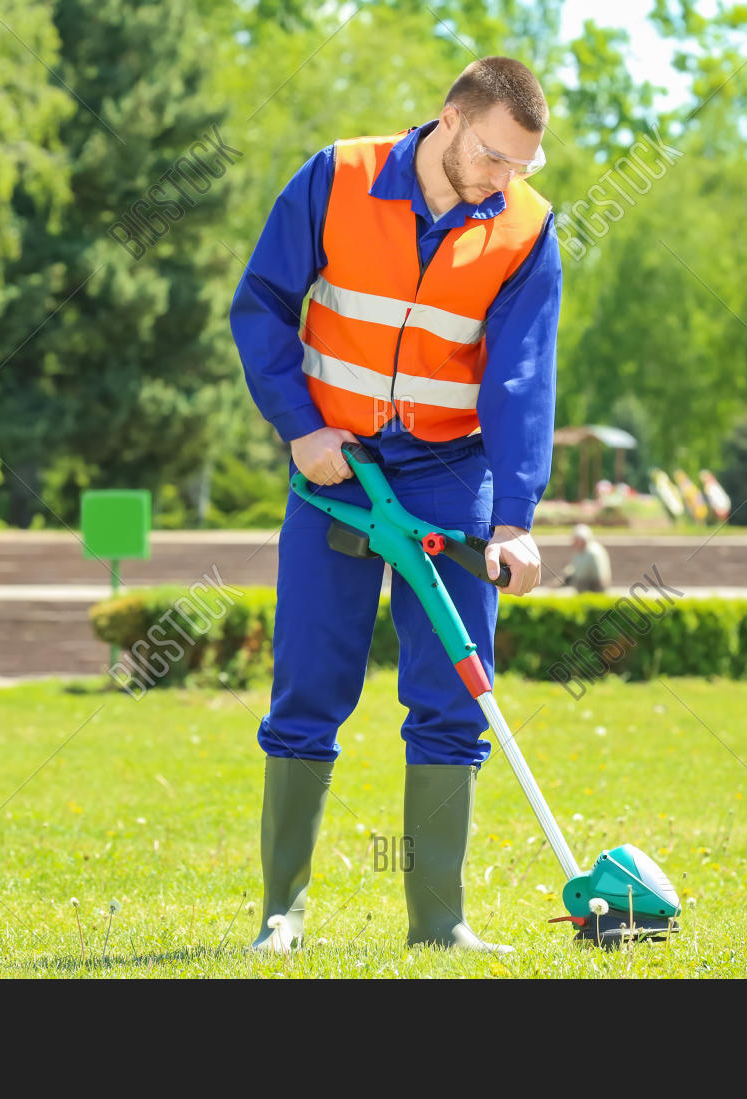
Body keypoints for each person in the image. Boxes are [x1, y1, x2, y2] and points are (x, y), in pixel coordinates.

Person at [229, 57, 562, 953]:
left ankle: (439, 923)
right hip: (336, 475)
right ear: (449, 120)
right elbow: (261, 304)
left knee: (454, 696)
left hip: (451, 475)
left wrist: (517, 517)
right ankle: (281, 912)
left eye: (523, 167)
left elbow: (522, 380)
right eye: (495, 158)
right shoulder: (335, 176)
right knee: (308, 686)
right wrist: (300, 426)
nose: (505, 181)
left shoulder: (526, 230)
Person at [564, 523, 611, 593]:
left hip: (594, 589)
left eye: (575, 540)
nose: (572, 543)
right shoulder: (582, 550)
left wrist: (564, 581)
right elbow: (572, 568)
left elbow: (580, 574)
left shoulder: (592, 552)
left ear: (581, 540)